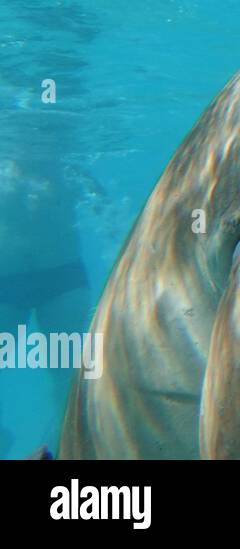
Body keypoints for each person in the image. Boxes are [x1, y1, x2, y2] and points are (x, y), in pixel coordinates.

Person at [0, 152, 94, 453]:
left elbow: (111, 215)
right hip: (6, 281)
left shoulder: (69, 167)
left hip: (63, 279)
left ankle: (65, 449)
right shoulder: (6, 166)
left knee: (68, 378)